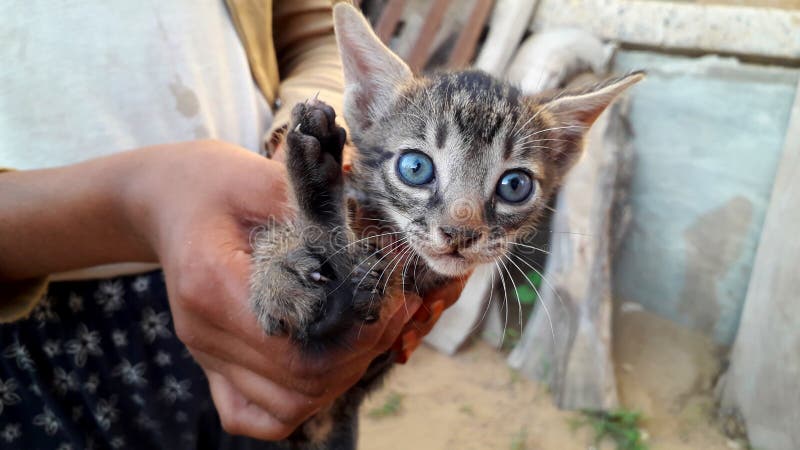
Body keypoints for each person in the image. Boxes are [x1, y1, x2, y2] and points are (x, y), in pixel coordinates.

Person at [0, 1, 463, 448]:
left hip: (276, 242)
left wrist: (299, 144)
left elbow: (318, 31)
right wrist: (133, 202)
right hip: (38, 321)